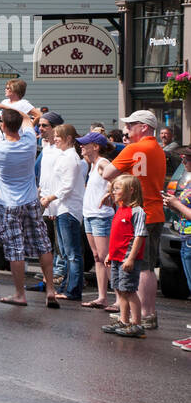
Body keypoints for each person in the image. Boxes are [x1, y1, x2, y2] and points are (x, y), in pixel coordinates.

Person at [0, 104, 58, 306]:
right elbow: (28, 117)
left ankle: (19, 294)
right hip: (30, 200)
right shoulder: (28, 141)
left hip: (9, 204)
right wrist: (2, 106)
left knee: (15, 249)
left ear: (2, 126)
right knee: (43, 244)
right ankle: (50, 289)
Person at [101, 110, 166, 330]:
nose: (127, 130)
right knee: (147, 265)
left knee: (141, 266)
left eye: (131, 125)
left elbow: (107, 173)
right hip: (153, 212)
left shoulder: (135, 148)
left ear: (144, 127)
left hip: (138, 214)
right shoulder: (157, 149)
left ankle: (145, 315)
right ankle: (141, 313)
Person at [39, 124, 87, 301]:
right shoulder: (64, 156)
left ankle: (73, 290)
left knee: (72, 253)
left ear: (68, 138)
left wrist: (49, 199)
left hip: (69, 210)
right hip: (61, 208)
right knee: (67, 253)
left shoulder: (70, 158)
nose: (55, 139)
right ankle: (68, 286)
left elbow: (66, 187)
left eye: (58, 136)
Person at [104, 175, 148, 338]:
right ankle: (123, 320)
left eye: (117, 188)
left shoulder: (137, 212)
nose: (114, 191)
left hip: (127, 258)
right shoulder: (120, 209)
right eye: (113, 188)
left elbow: (139, 236)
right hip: (117, 257)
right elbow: (118, 236)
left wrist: (131, 258)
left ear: (131, 190)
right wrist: (110, 253)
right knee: (120, 289)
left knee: (129, 290)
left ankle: (136, 323)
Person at [78, 131, 118, 312]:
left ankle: (119, 299)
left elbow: (117, 181)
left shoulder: (103, 163)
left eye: (85, 144)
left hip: (101, 216)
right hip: (90, 215)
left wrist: (110, 194)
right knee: (97, 257)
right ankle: (102, 297)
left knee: (106, 258)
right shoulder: (92, 165)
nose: (81, 147)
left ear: (95, 147)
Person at [161, 149, 191, 350]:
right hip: (184, 237)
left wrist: (175, 205)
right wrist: (173, 205)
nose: (184, 161)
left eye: (187, 158)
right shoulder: (187, 181)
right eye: (183, 158)